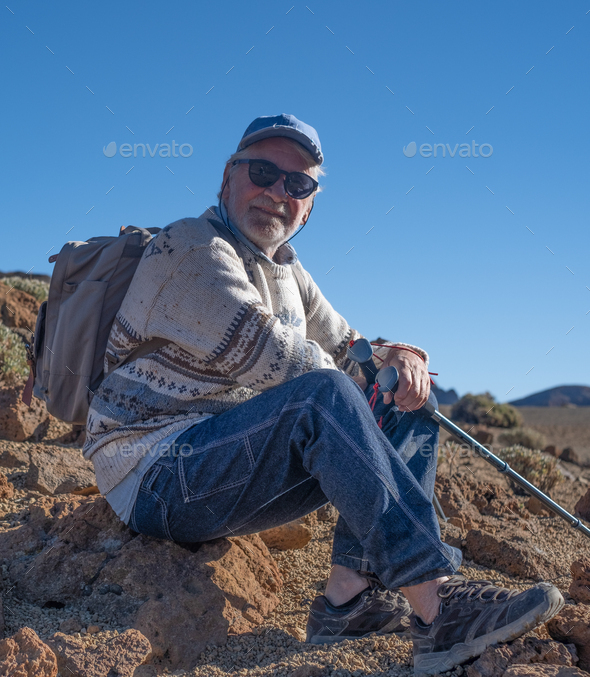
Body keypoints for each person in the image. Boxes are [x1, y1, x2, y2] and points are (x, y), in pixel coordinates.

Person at [82, 114, 564, 676]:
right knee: (325, 396)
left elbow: (350, 347)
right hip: (152, 472)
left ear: (309, 204)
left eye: (298, 183)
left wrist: (401, 360)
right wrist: (367, 373)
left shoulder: (287, 269)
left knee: (408, 398)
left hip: (223, 458)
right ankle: (437, 606)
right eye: (262, 171)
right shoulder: (192, 247)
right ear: (227, 177)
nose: (277, 192)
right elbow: (286, 362)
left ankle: (347, 601)